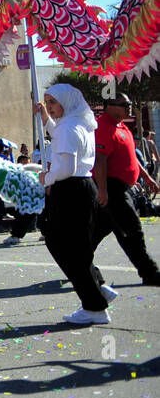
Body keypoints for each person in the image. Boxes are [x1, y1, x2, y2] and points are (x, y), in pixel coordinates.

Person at [36, 84, 114, 323]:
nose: (50, 106)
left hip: (70, 188)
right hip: (82, 188)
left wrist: (46, 178)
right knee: (75, 247)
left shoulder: (68, 128)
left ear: (66, 103)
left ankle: (94, 306)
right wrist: (46, 118)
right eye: (47, 102)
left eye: (53, 102)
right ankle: (98, 289)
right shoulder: (80, 122)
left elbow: (66, 167)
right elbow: (61, 136)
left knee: (64, 246)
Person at [83, 93, 160, 287]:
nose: (129, 108)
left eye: (130, 104)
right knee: (132, 231)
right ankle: (150, 273)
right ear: (109, 106)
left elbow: (131, 157)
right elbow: (100, 161)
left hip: (121, 187)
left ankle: (78, 264)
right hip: (112, 188)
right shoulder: (103, 126)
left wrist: (147, 177)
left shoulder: (122, 125)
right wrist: (102, 190)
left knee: (97, 232)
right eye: (125, 104)